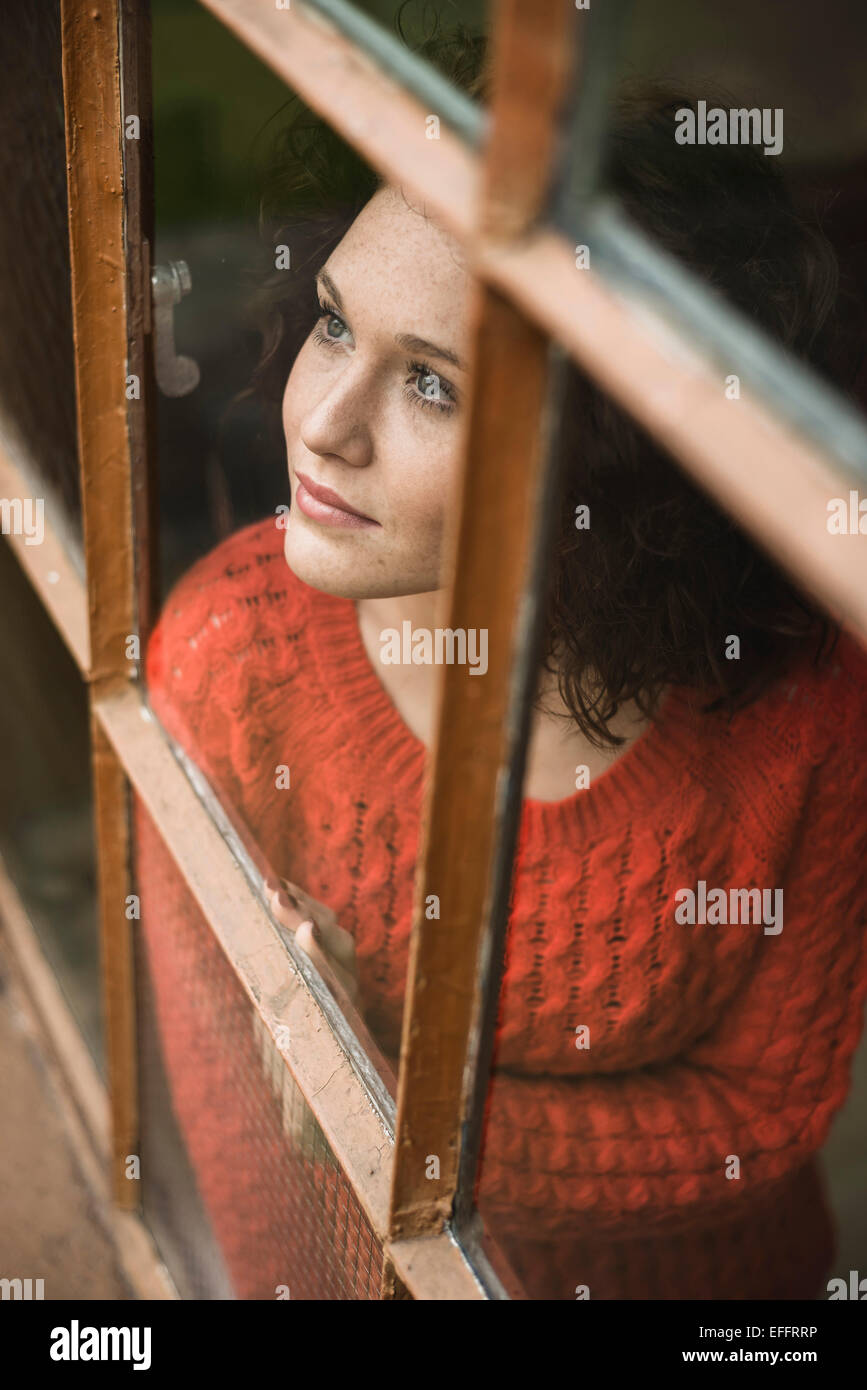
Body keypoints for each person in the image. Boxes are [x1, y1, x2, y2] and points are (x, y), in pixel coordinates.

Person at [135, 33, 867, 1300]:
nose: (317, 420)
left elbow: (764, 1110)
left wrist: (413, 1115)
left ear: (611, 460)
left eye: (431, 384)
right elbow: (244, 1136)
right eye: (333, 321)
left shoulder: (807, 708)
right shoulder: (229, 652)